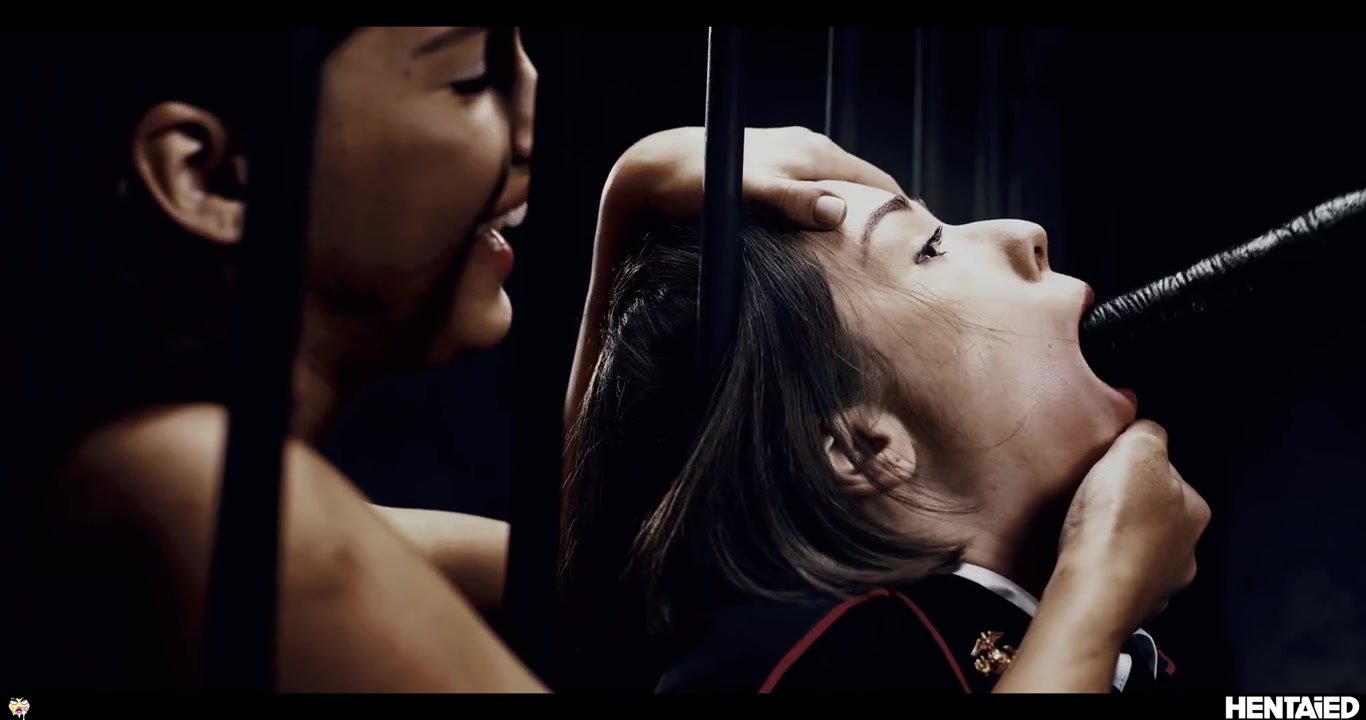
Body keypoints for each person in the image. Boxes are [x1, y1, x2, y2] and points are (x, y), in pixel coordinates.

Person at [5, 28, 922, 691]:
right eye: (472, 78)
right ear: (210, 177)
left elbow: (588, 587)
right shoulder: (209, 491)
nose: (537, 124)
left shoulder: (147, 474)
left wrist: (632, 204)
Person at [560, 128, 1212, 693]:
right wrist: (1099, 584)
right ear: (865, 447)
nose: (1025, 234)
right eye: (930, 248)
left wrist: (632, 195)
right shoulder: (800, 662)